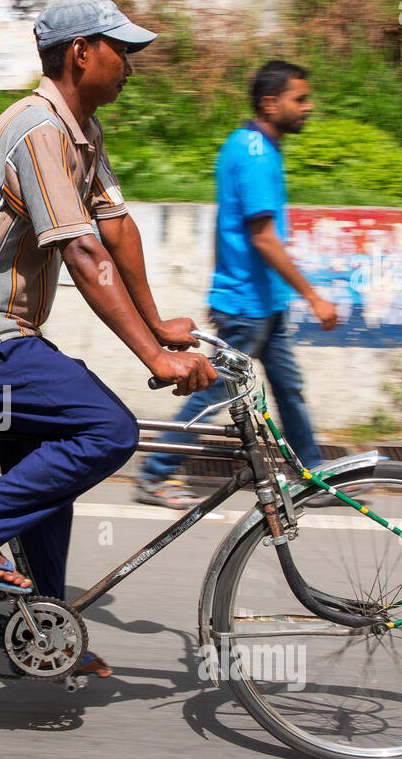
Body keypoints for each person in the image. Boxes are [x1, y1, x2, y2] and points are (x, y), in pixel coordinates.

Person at [0, 0, 218, 673]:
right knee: (109, 430)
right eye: (121, 52)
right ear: (81, 53)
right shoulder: (38, 129)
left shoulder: (79, 130)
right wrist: (152, 356)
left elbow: (115, 229)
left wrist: (158, 326)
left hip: (4, 334)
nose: (130, 68)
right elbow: (84, 256)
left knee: (49, 467)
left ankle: (45, 629)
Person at [135, 59, 339, 508]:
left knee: (288, 390)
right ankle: (154, 472)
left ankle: (311, 473)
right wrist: (314, 296)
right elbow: (262, 237)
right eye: (299, 99)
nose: (308, 107)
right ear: (271, 103)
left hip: (263, 301)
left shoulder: (247, 146)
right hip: (247, 305)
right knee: (212, 390)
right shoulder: (254, 155)